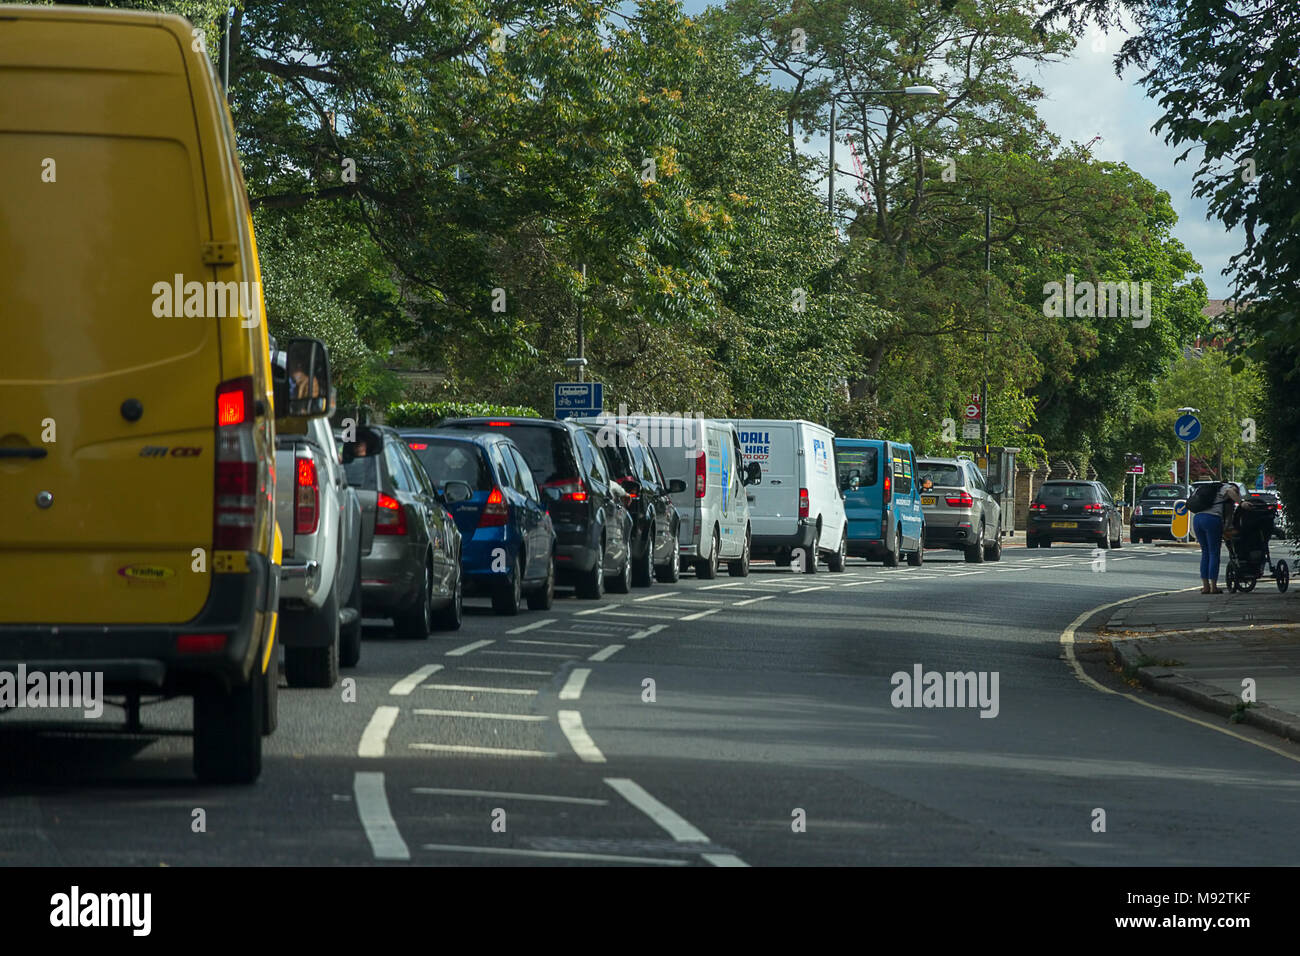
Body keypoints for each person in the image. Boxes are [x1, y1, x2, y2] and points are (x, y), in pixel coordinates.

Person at [1193, 481, 1250, 594]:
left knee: (1205, 553)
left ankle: (1205, 587)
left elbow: (1228, 516)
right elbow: (1230, 491)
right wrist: (1241, 502)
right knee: (1214, 553)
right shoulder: (1226, 488)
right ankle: (1214, 587)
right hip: (1212, 519)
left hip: (1197, 519)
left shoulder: (1205, 488)